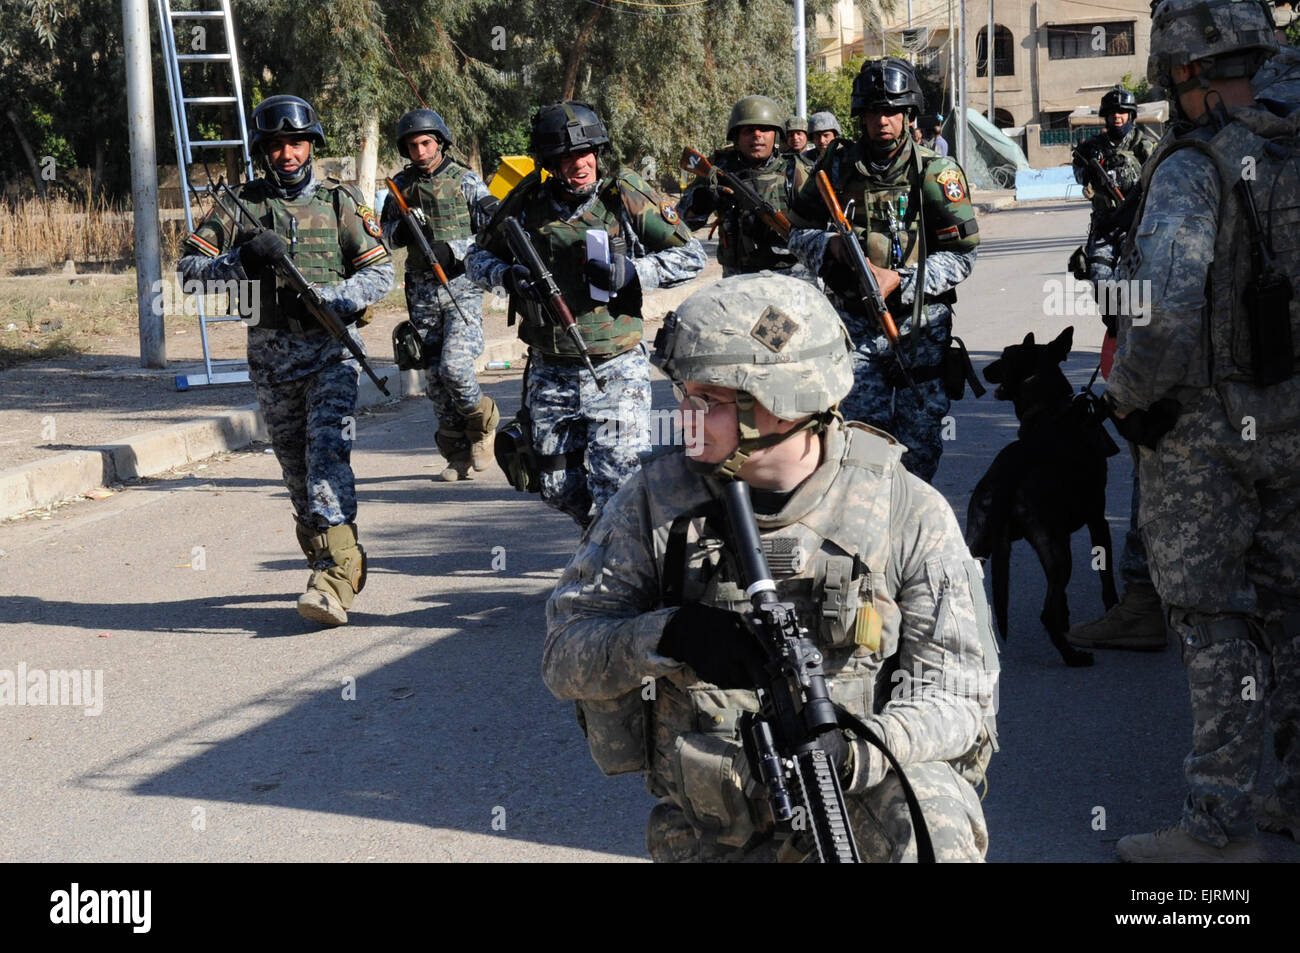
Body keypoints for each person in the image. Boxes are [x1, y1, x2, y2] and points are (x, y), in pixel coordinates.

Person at [543, 273, 998, 863]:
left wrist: (859, 749)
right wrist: (664, 635)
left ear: (780, 406)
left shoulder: (902, 508)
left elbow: (961, 696)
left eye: (706, 400)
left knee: (934, 817)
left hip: (856, 798)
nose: (683, 416)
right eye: (683, 395)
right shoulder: (655, 501)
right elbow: (564, 657)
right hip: (717, 813)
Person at [1105, 0, 1300, 862]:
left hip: (1206, 432)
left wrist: (1126, 397)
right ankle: (1291, 795)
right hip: (1291, 424)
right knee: (1293, 609)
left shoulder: (1193, 166)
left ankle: (1216, 828)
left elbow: (1162, 311)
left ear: (1185, 70)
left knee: (1215, 620)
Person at [178, 95, 394, 626]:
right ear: (262, 152)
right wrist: (239, 261)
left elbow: (379, 274)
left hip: (331, 354)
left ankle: (333, 581)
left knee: (326, 459)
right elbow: (187, 272)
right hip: (272, 358)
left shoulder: (341, 201)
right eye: (276, 146)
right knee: (296, 474)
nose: (288, 154)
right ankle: (333, 555)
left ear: (311, 147)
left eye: (296, 143)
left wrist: (334, 298)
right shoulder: (238, 207)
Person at [467, 100, 705, 529]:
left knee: (616, 484)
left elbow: (691, 256)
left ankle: (617, 565)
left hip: (616, 365)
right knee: (555, 484)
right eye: (567, 157)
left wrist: (634, 272)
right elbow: (475, 259)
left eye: (586, 152)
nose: (580, 164)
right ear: (549, 163)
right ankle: (602, 541)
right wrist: (508, 276)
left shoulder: (624, 195)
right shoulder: (526, 203)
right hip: (549, 367)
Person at [789, 57, 980, 483]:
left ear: (909, 114)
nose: (883, 121)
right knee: (858, 446)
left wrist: (903, 280)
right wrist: (831, 246)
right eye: (875, 111)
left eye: (893, 111)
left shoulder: (935, 172)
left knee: (920, 450)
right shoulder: (835, 168)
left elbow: (963, 255)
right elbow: (794, 235)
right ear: (862, 116)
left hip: (920, 331)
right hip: (855, 328)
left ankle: (910, 532)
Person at [1066, 88, 1163, 652]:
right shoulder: (1093, 150)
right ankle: (1144, 596)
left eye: (1128, 112)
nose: (1121, 120)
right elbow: (1101, 212)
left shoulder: (1157, 150)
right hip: (1113, 241)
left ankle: (1150, 595)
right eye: (1115, 114)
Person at [382, 109, 499, 482]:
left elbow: (494, 232)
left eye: (426, 143)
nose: (419, 151)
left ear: (440, 142)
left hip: (461, 289)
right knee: (434, 380)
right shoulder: (399, 187)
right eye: (412, 145)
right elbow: (379, 237)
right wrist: (401, 231)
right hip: (420, 292)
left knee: (456, 367)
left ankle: (483, 425)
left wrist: (457, 250)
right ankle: (456, 455)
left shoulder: (465, 180)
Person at [678, 95, 814, 277]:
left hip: (790, 274)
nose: (757, 135)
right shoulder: (717, 170)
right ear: (736, 136)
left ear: (776, 135)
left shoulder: (795, 169)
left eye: (764, 129)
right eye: (748, 130)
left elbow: (820, 229)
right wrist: (700, 203)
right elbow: (680, 224)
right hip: (737, 277)